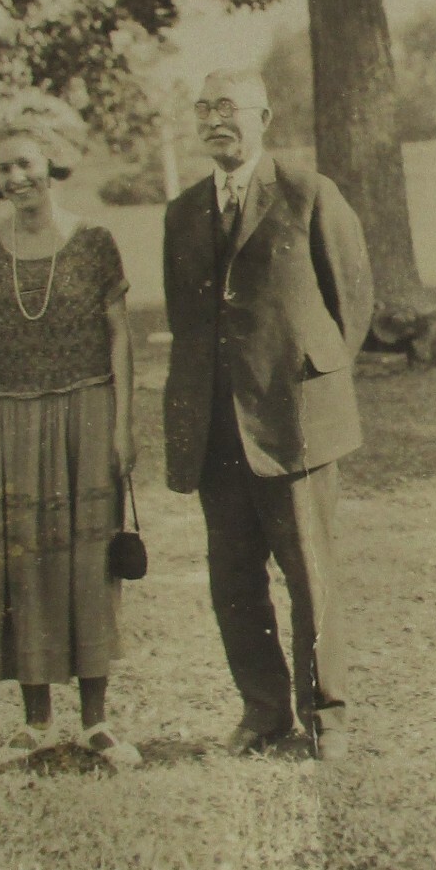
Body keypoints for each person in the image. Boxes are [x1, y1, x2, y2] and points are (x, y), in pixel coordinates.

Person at [161, 68, 373, 762]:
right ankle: (263, 712)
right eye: (204, 108)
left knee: (310, 572)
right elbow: (189, 323)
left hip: (293, 423)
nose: (216, 120)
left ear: (263, 117)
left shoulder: (309, 192)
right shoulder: (183, 212)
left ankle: (328, 716)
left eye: (229, 108)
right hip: (217, 429)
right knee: (233, 578)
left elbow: (352, 303)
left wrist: (311, 380)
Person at [0, 117, 140, 771]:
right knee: (21, 565)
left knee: (89, 561)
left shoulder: (94, 242)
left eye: (26, 163)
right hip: (6, 418)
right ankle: (33, 724)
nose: (17, 178)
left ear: (51, 163)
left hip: (86, 413)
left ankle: (95, 723)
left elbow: (120, 335)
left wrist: (122, 424)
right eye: (4, 168)